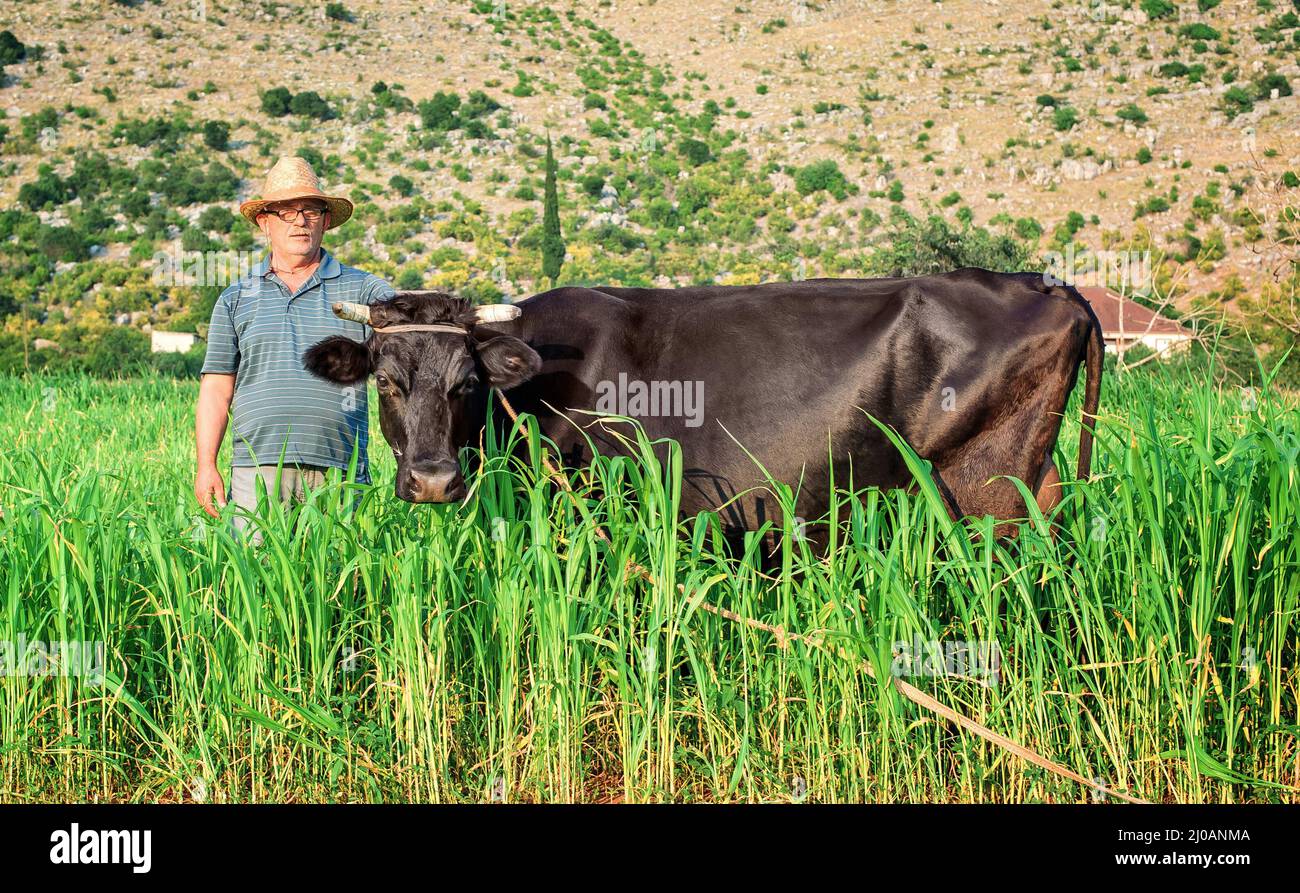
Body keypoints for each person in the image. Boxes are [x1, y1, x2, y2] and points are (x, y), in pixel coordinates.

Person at [193, 156, 394, 540]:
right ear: (264, 223)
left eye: (310, 211)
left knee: (338, 582)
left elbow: (409, 332)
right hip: (256, 469)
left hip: (340, 469)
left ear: (326, 221)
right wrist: (207, 465)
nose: (299, 221)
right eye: (286, 212)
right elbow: (217, 389)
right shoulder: (236, 298)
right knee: (257, 582)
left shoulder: (365, 291)